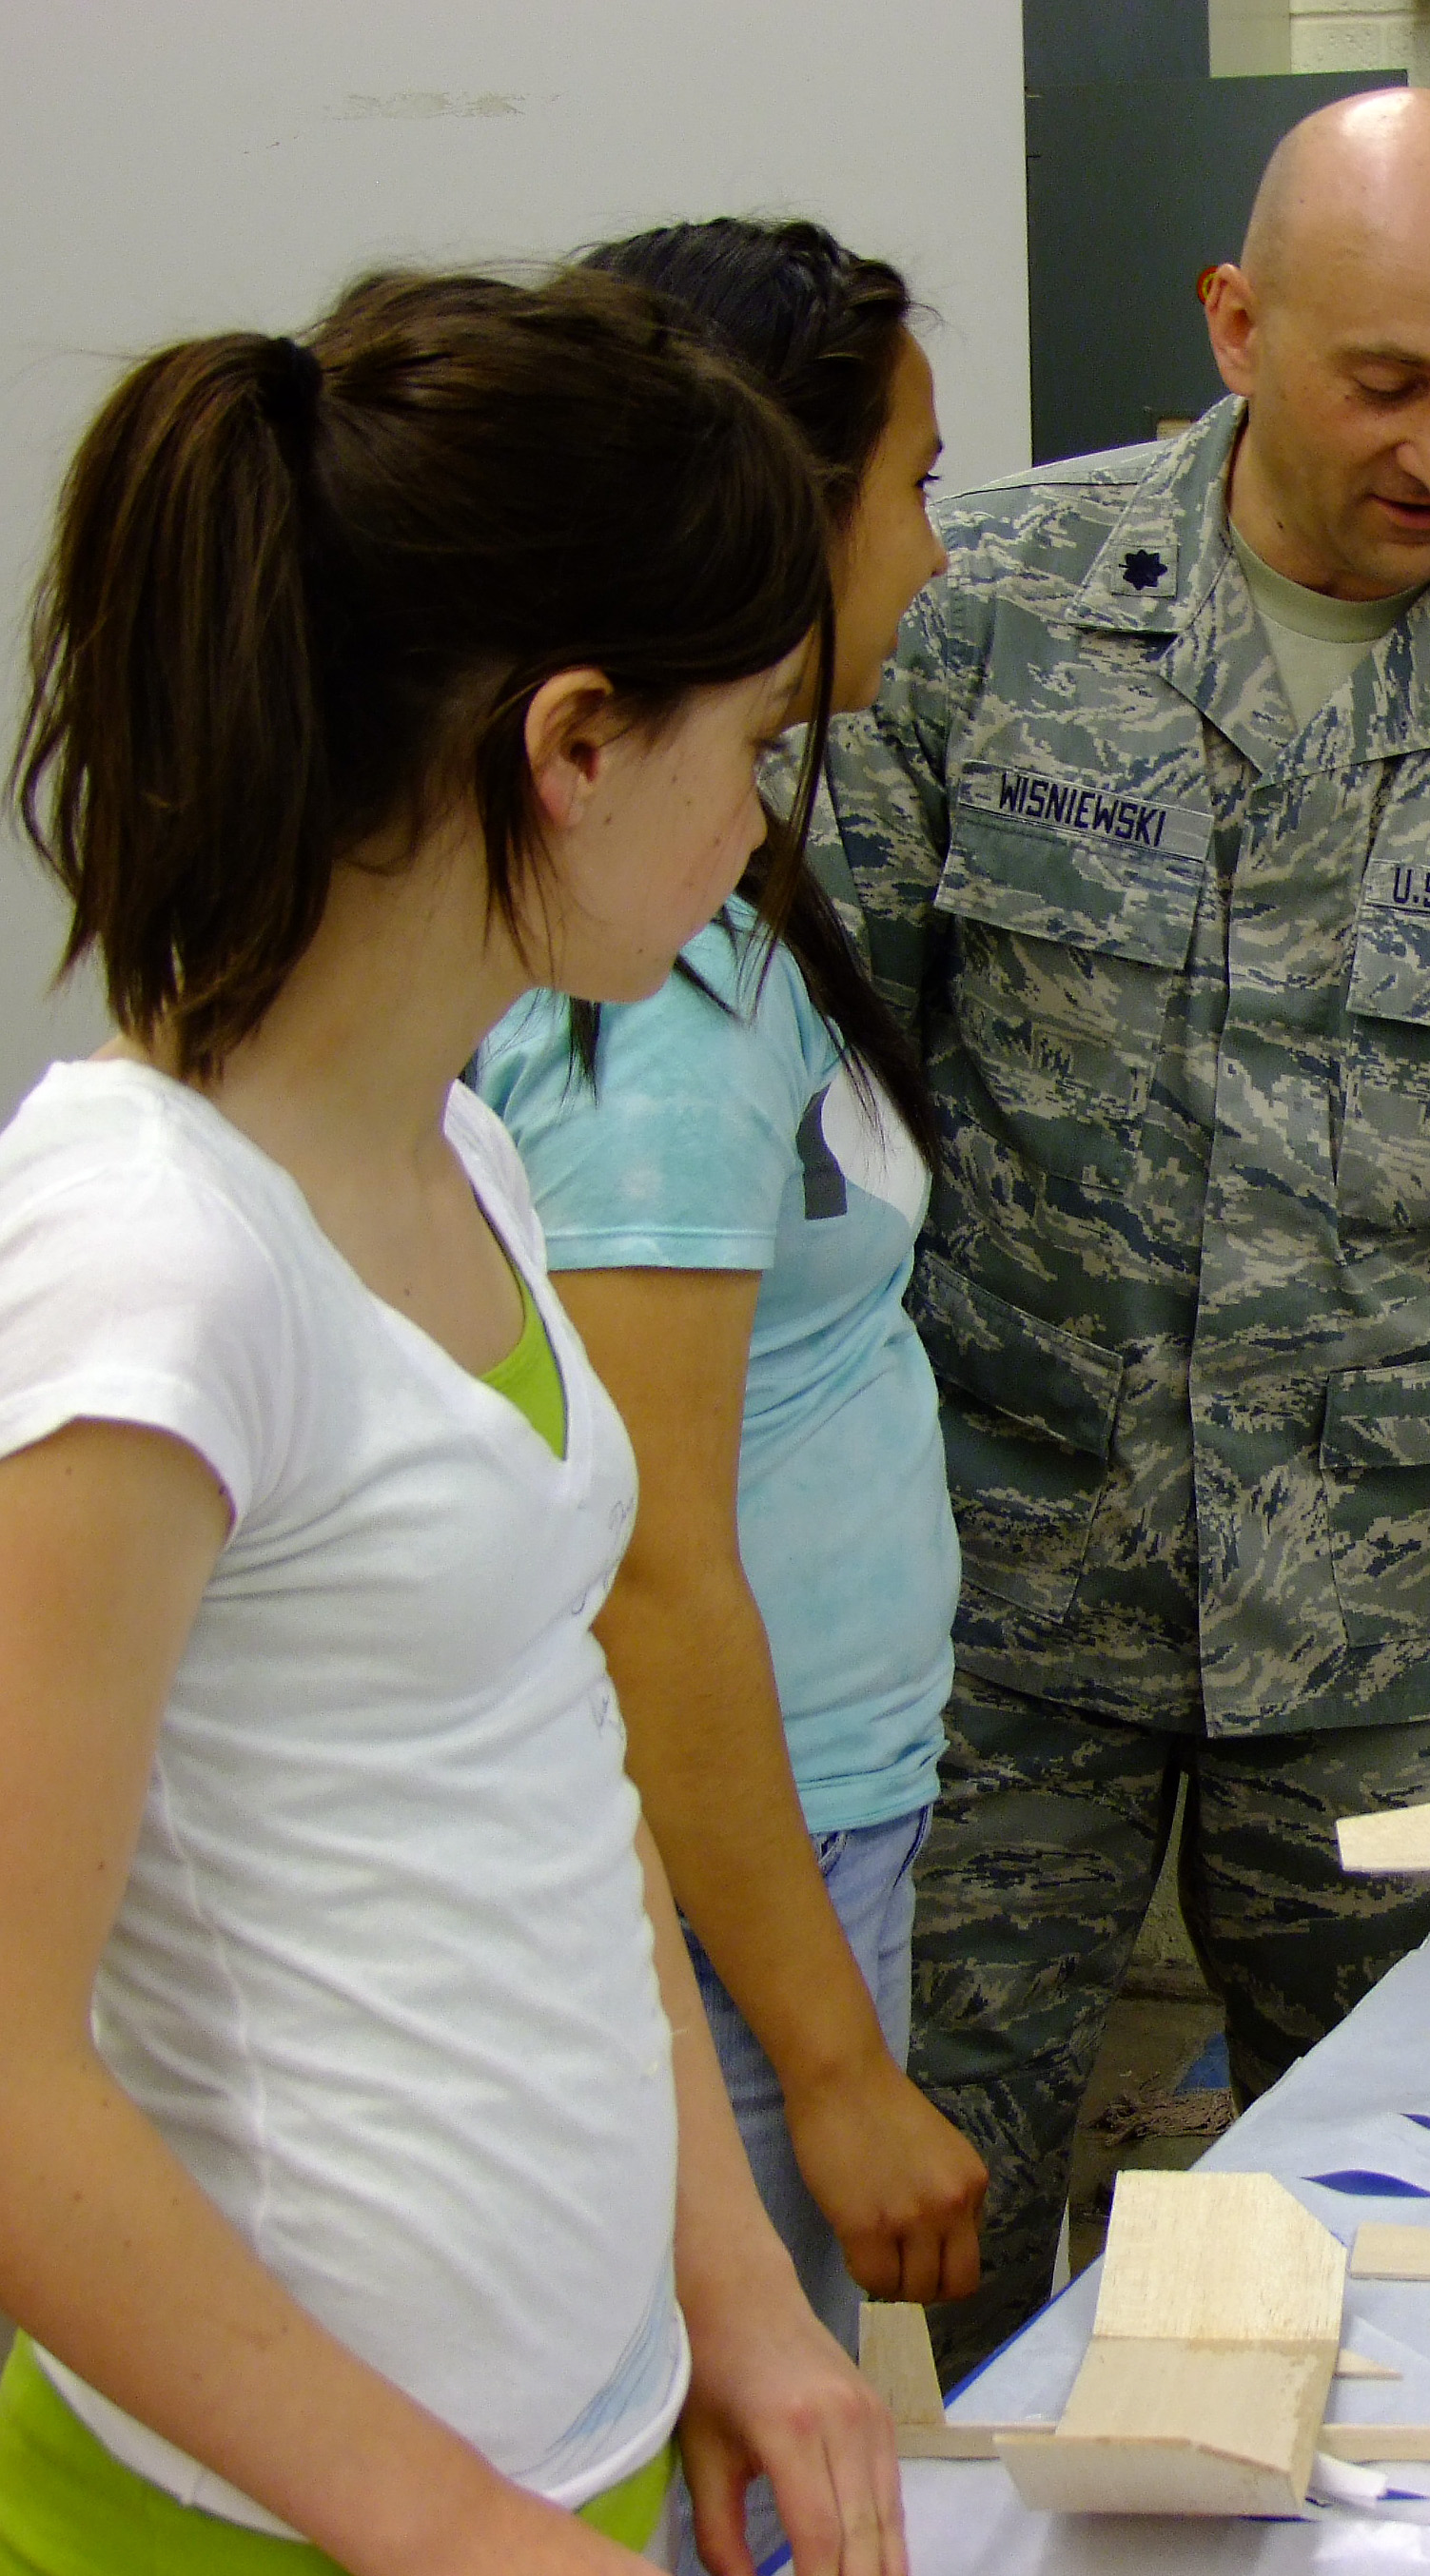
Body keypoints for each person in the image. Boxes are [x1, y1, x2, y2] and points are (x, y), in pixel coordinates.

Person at [817, 87, 1430, 2372]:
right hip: (987, 1616)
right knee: (912, 2254)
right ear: (1237, 324)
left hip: (1390, 1642)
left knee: (1418, 2245)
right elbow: (817, 1087)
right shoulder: (976, 623)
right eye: (1387, 384)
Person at [0, 266, 904, 2576]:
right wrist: (443, 2522)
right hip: (264, 2517)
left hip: (548, 2440)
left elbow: (550, 1759)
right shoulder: (150, 1259)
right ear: (578, 744)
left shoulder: (460, 1147)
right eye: (756, 739)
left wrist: (732, 2300)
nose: (761, 824)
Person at [474, 221, 985, 2455]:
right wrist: (838, 2068)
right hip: (719, 1883)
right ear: (778, 520)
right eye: (913, 487)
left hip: (792, 1837)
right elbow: (648, 1569)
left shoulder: (719, 908)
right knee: (733, 2439)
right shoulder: (651, 1019)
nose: (940, 549)